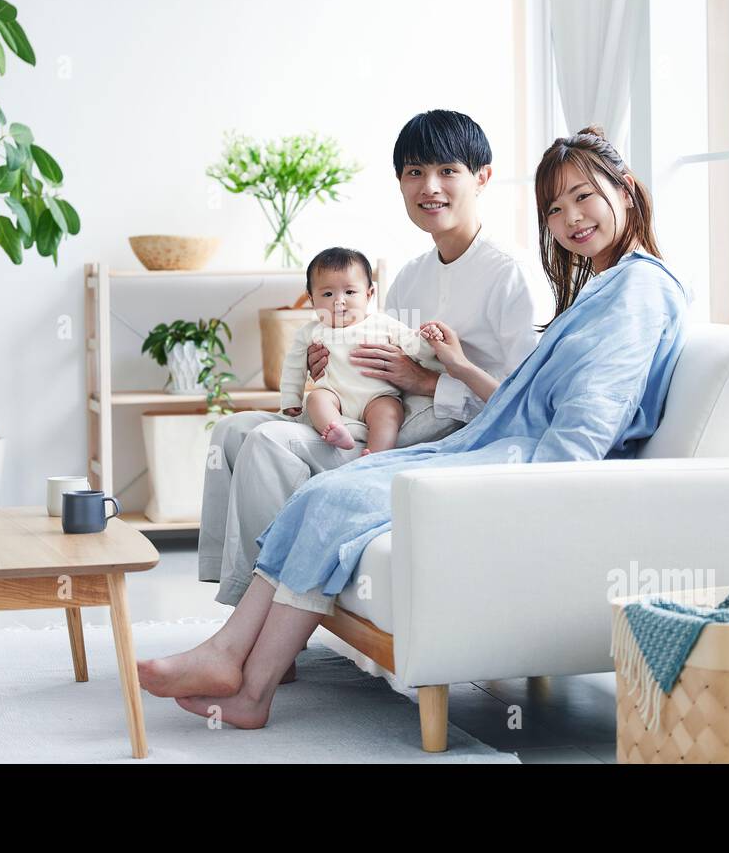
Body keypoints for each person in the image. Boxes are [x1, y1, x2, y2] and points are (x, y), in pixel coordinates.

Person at [139, 126, 691, 729]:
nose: (570, 219)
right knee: (324, 489)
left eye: (585, 197)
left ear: (627, 191)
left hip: (522, 465)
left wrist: (530, 485)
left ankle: (245, 680)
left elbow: (586, 423)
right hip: (490, 445)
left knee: (339, 492)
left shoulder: (638, 288)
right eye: (555, 209)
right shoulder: (603, 285)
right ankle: (235, 666)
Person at [194, 109, 540, 611]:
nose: (430, 187)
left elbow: (523, 401)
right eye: (415, 173)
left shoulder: (511, 272)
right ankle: (238, 598)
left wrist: (425, 380)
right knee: (230, 431)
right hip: (379, 409)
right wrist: (330, 365)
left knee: (270, 440)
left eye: (448, 171)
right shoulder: (412, 274)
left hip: (444, 430)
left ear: (482, 177)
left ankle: (262, 617)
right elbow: (376, 351)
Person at [279, 247, 445, 455]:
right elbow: (293, 367)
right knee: (315, 399)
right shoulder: (311, 332)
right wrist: (290, 399)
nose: (339, 301)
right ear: (312, 299)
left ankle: (375, 453)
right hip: (334, 396)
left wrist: (427, 339)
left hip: (377, 396)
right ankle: (336, 429)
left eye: (349, 292)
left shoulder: (383, 323)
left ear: (369, 295)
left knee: (390, 413)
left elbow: (412, 346)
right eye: (328, 294)